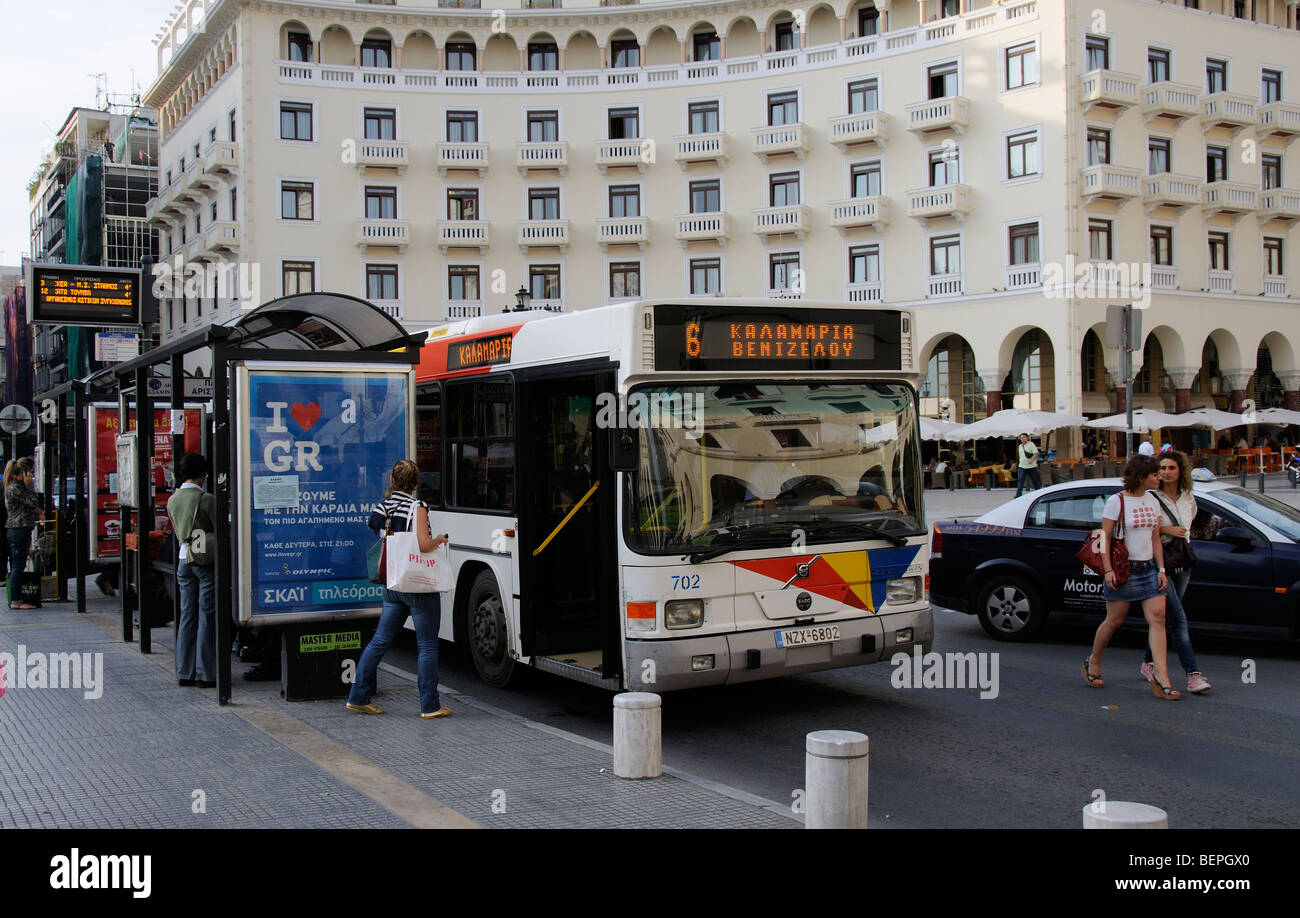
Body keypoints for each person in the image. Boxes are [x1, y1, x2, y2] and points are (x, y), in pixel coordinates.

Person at [347, 459, 452, 719]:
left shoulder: (382, 505)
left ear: (392, 480)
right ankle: (430, 706)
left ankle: (358, 697)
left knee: (379, 641)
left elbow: (379, 533)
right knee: (427, 645)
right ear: (416, 483)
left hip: (392, 582)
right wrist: (440, 539)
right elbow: (423, 544)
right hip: (417, 584)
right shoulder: (418, 506)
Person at [1084, 455, 1180, 700]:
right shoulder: (1117, 502)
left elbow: (1155, 538)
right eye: (1154, 474)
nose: (1160, 478)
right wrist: (1108, 570)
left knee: (1157, 619)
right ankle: (1093, 660)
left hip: (1149, 569)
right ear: (1140, 477)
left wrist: (1161, 570)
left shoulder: (1152, 501)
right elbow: (1104, 537)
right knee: (1114, 621)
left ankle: (1161, 677)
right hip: (1124, 569)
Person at [1141, 450, 1210, 694]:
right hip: (1158, 564)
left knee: (1168, 616)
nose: (1166, 472)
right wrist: (1168, 529)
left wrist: (1179, 535)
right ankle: (1193, 675)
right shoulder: (1149, 497)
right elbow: (1143, 529)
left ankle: (1147, 662)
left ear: (1180, 471)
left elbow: (1189, 527)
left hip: (1182, 563)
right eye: (1162, 468)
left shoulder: (1188, 497)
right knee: (1179, 620)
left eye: (1171, 468)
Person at [166, 453, 217, 687]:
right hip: (203, 561)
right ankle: (205, 672)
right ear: (201, 475)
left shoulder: (173, 499)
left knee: (187, 614)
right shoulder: (206, 499)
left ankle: (184, 670)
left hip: (183, 558)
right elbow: (222, 529)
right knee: (207, 614)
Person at [5, 458, 42, 610]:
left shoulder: (17, 487)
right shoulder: (16, 488)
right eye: (31, 473)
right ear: (23, 472)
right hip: (17, 529)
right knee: (17, 566)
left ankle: (17, 599)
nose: (32, 476)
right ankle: (16, 600)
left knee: (18, 564)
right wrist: (29, 486)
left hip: (20, 529)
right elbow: (33, 502)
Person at [1014, 433, 1041, 497]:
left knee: (1035, 481)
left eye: (1023, 437)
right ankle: (1018, 495)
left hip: (1031, 467)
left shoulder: (1031, 444)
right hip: (1022, 466)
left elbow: (1036, 453)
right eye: (1021, 437)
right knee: (1020, 480)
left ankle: (1039, 493)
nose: (1022, 439)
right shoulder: (1020, 446)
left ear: (1027, 438)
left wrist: (1032, 460)